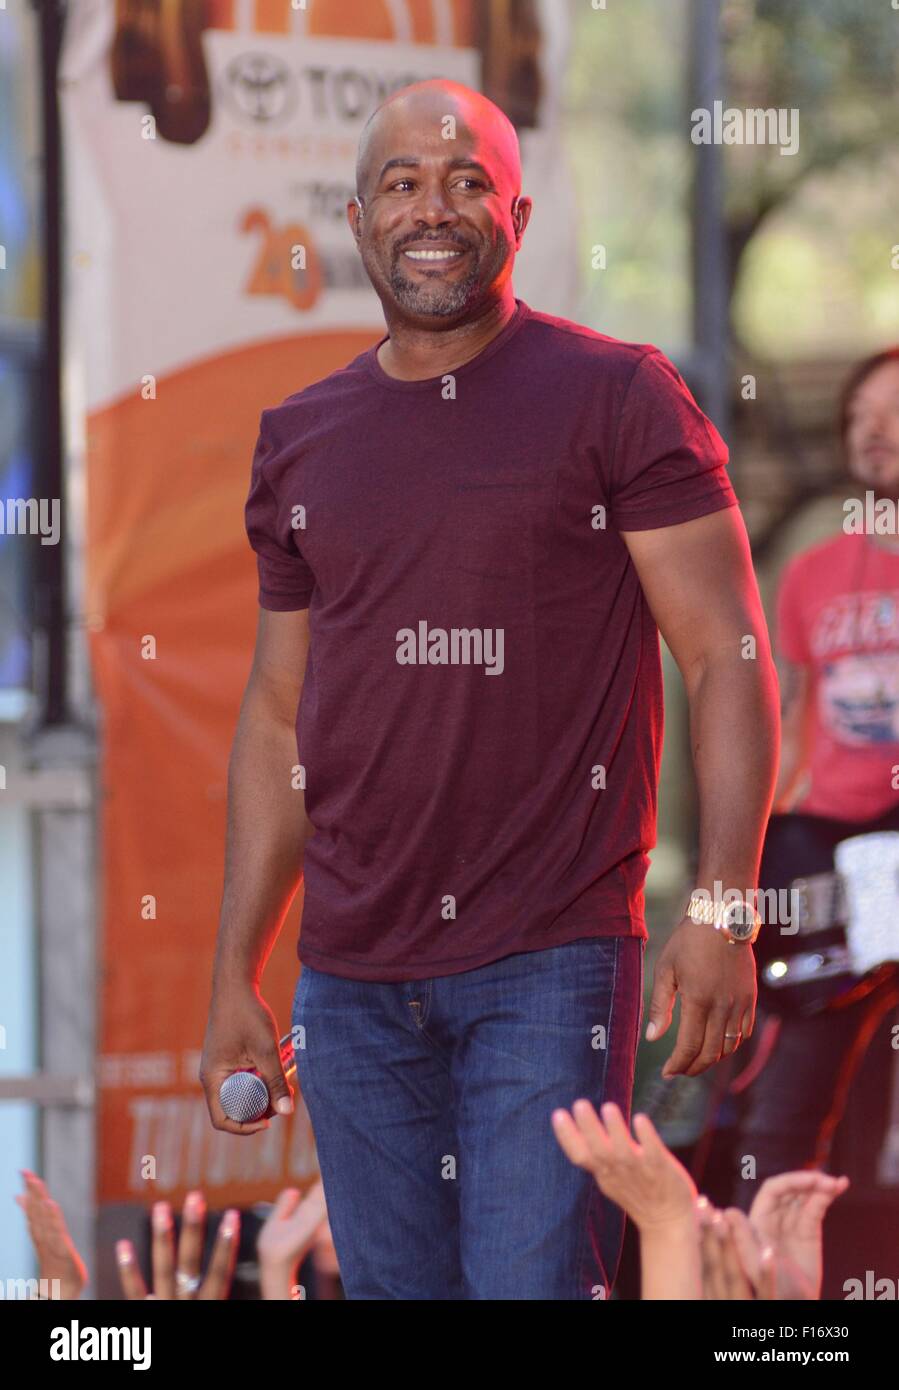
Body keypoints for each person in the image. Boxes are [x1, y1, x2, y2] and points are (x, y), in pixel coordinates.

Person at [200, 78, 779, 1300]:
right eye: (403, 181)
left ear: (513, 214)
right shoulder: (300, 436)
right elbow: (273, 713)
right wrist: (234, 975)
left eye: (467, 181)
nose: (434, 204)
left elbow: (725, 654)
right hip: (349, 985)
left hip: (548, 961)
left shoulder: (616, 394)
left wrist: (723, 908)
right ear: (357, 221)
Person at [732, 347, 899, 1211]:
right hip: (832, 849)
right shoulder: (809, 574)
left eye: (892, 409)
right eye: (857, 416)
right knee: (798, 1086)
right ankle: (773, 1291)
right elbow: (789, 716)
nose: (872, 430)